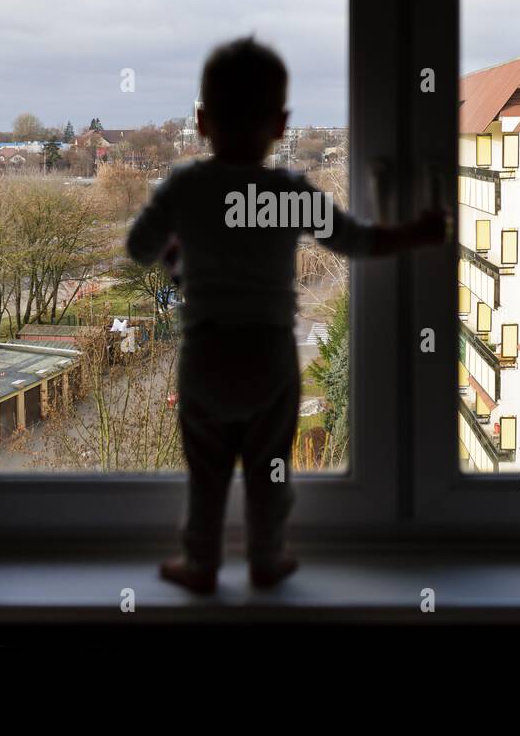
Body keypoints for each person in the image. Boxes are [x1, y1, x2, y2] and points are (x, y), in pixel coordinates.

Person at [126, 35, 447, 593]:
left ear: (201, 121)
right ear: (280, 125)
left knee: (207, 471)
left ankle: (200, 563)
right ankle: (267, 557)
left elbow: (138, 246)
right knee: (269, 467)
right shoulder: (291, 193)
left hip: (205, 353)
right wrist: (416, 233)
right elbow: (358, 242)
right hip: (270, 353)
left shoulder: (184, 186)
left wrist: (176, 249)